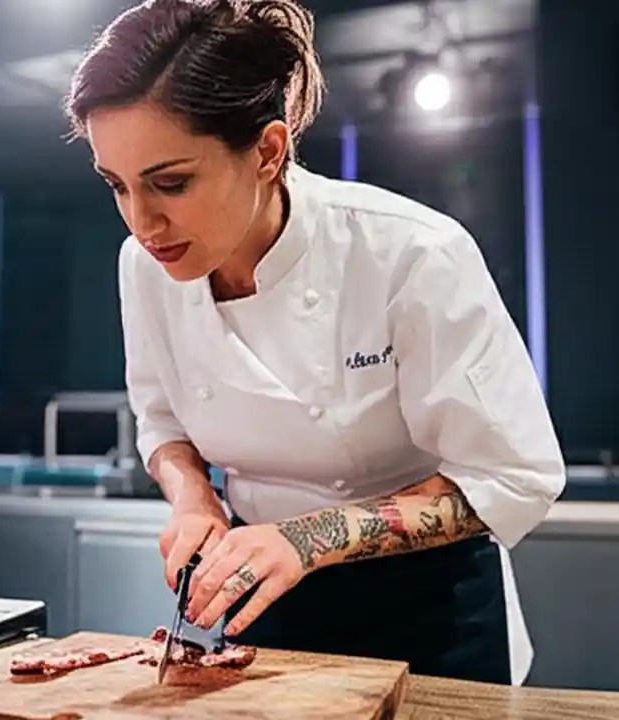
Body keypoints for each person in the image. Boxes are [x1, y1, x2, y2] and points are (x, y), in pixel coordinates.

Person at [62, 0, 565, 686]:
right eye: (116, 186)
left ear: (267, 152)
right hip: (262, 597)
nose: (141, 222)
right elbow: (162, 423)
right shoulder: (145, 267)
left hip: (429, 606)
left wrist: (305, 538)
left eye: (170, 183)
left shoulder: (412, 254)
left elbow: (509, 477)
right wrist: (193, 498)